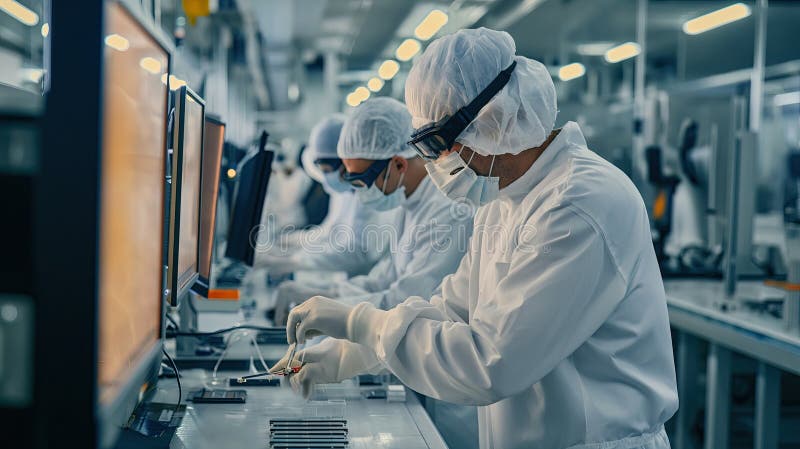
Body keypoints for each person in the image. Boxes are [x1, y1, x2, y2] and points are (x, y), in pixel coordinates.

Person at [273, 28, 679, 449]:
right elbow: (452, 308)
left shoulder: (579, 204)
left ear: (492, 119)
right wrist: (348, 353)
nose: (434, 164)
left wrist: (361, 322)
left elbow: (490, 362)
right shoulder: (504, 199)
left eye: (437, 144)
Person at [269, 98, 473, 325]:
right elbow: (385, 278)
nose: (360, 192)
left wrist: (338, 310)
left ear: (398, 165)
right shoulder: (407, 201)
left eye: (361, 180)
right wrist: (326, 294)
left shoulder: (448, 212)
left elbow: (408, 300)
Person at [254, 115, 398, 282]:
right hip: (354, 285)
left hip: (367, 285)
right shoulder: (347, 192)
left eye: (327, 169)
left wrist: (294, 261)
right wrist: (291, 246)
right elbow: (331, 232)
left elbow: (359, 252)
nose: (326, 177)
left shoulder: (370, 194)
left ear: (345, 162)